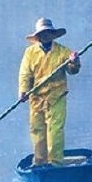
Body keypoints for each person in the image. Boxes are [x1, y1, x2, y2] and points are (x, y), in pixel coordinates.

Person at [18, 17, 81, 166]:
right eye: (42, 33)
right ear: (38, 36)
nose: (45, 35)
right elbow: (25, 74)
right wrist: (23, 91)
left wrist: (74, 62)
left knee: (55, 131)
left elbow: (73, 71)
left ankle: (56, 163)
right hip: (36, 98)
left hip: (56, 96)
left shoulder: (63, 51)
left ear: (53, 34)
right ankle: (40, 162)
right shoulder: (30, 53)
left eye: (48, 32)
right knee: (37, 131)